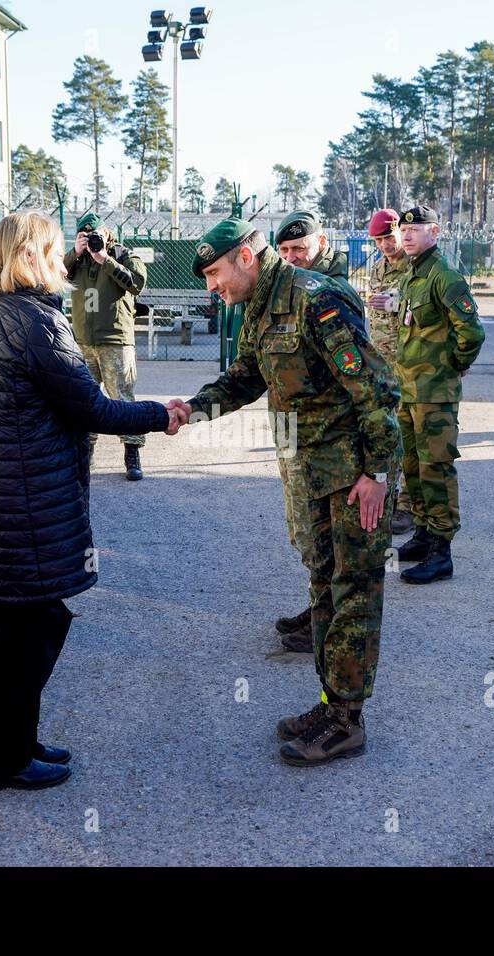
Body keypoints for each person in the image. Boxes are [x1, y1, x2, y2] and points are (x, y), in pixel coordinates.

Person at [0, 211, 182, 792]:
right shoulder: (35, 324)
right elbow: (93, 407)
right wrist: (161, 413)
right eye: (51, 251)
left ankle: (16, 744)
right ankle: (3, 763)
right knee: (26, 635)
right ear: (30, 258)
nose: (61, 262)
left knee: (12, 632)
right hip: (22, 508)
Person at [167, 218, 401, 766]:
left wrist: (379, 476)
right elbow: (247, 376)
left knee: (354, 594)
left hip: (352, 478)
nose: (211, 287)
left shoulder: (316, 300)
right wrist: (192, 408)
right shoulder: (262, 305)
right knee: (323, 585)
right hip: (310, 474)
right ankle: (330, 702)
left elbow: (378, 391)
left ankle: (348, 722)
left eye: (215, 273)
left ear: (246, 257)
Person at [268, 209, 368, 651]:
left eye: (300, 249)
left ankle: (325, 618)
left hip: (323, 439)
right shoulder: (286, 288)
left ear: (322, 243)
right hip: (289, 429)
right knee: (302, 528)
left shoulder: (331, 295)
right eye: (285, 251)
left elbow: (362, 381)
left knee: (319, 532)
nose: (292, 258)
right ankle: (318, 604)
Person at [394, 205, 485, 585]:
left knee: (437, 468)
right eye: (404, 229)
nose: (407, 235)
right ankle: (424, 532)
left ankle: (442, 550)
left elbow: (472, 332)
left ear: (435, 232)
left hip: (434, 394)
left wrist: (455, 364)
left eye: (416, 229)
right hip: (409, 390)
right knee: (413, 467)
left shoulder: (445, 277)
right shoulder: (413, 276)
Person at [63, 212, 150, 481]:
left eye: (96, 235)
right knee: (84, 400)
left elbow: (138, 283)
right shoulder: (76, 260)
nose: (92, 240)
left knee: (122, 400)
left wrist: (105, 260)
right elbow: (54, 276)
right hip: (82, 342)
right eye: (86, 236)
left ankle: (132, 452)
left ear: (106, 232)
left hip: (115, 340)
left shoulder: (122, 254)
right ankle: (85, 453)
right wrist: (74, 253)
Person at [364, 208, 414, 534]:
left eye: (388, 237)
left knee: (410, 434)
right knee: (389, 431)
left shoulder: (415, 265)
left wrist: (395, 304)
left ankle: (408, 504)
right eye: (379, 240)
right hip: (383, 364)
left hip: (410, 362)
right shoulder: (378, 267)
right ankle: (392, 495)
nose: (384, 244)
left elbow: (424, 305)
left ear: (400, 231)